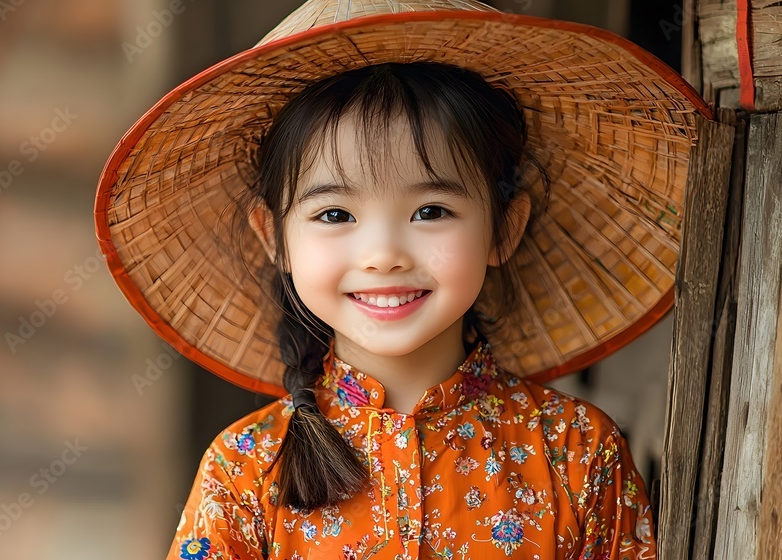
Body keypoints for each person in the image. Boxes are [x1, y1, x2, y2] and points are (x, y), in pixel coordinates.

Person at [93, 1, 711, 558]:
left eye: (431, 211)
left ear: (504, 228)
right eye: (336, 214)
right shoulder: (245, 470)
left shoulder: (577, 453)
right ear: (274, 236)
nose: (384, 253)